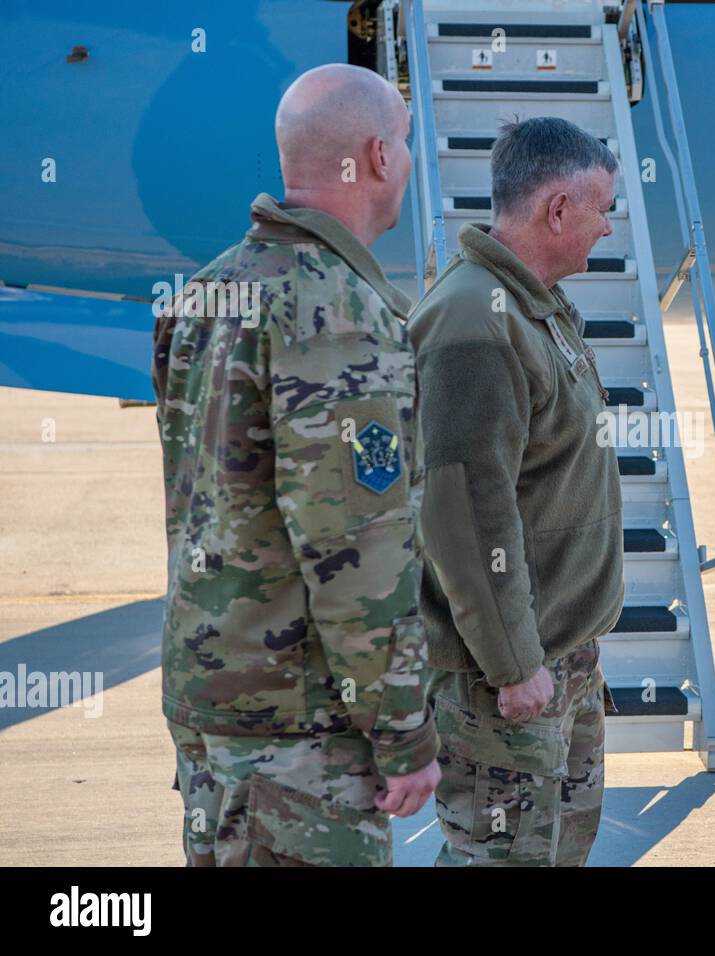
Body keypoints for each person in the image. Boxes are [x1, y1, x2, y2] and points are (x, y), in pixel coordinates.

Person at [151, 63, 440, 867]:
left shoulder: (202, 295)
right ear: (379, 157)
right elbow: (355, 548)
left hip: (209, 696)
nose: (409, 164)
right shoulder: (341, 313)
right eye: (407, 146)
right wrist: (403, 727)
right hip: (297, 729)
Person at [409, 116, 624, 866]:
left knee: (553, 853)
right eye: (601, 208)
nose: (607, 226)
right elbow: (466, 513)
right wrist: (513, 663)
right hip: (508, 680)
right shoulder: (474, 320)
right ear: (557, 208)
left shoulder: (533, 304)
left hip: (563, 659)